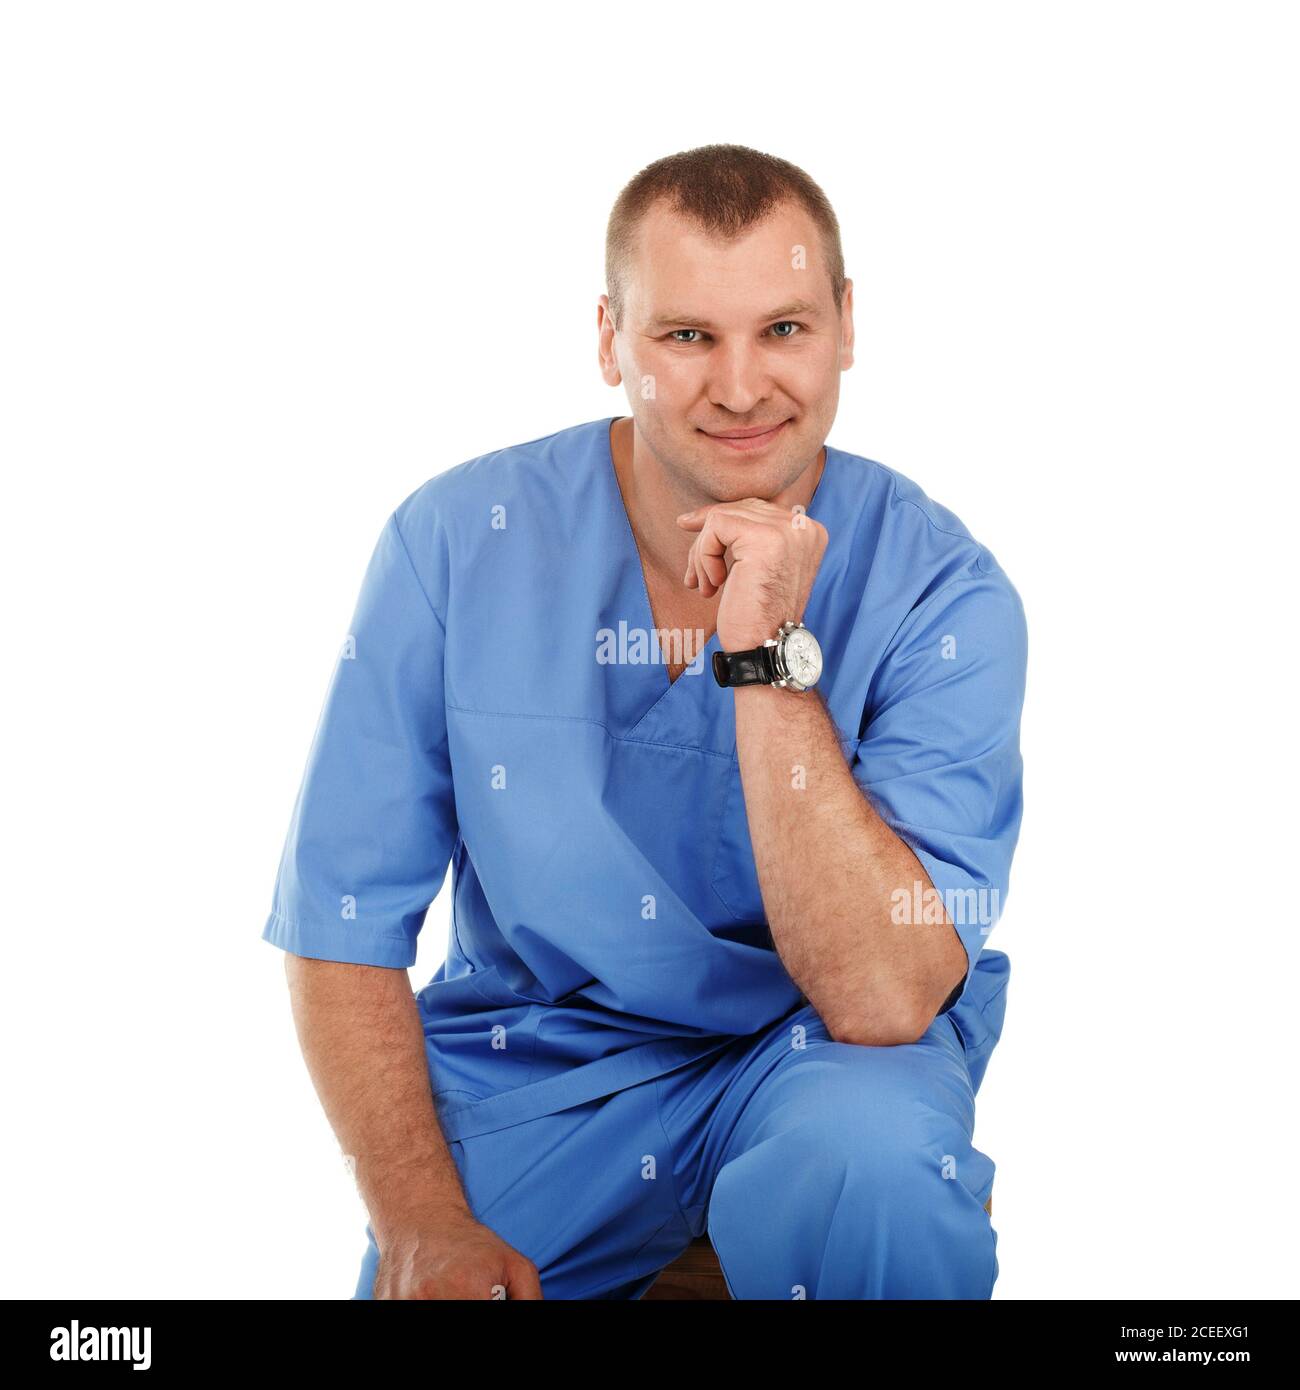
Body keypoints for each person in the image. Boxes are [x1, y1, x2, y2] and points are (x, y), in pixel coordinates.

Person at [262, 143, 1027, 1300]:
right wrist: (419, 1219)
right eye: (686, 337)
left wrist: (764, 653)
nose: (739, 386)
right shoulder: (461, 542)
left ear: (846, 325)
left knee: (872, 1170)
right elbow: (343, 921)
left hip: (816, 1066)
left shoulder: (942, 591)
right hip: (542, 1079)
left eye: (782, 330)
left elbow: (879, 996)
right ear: (610, 338)